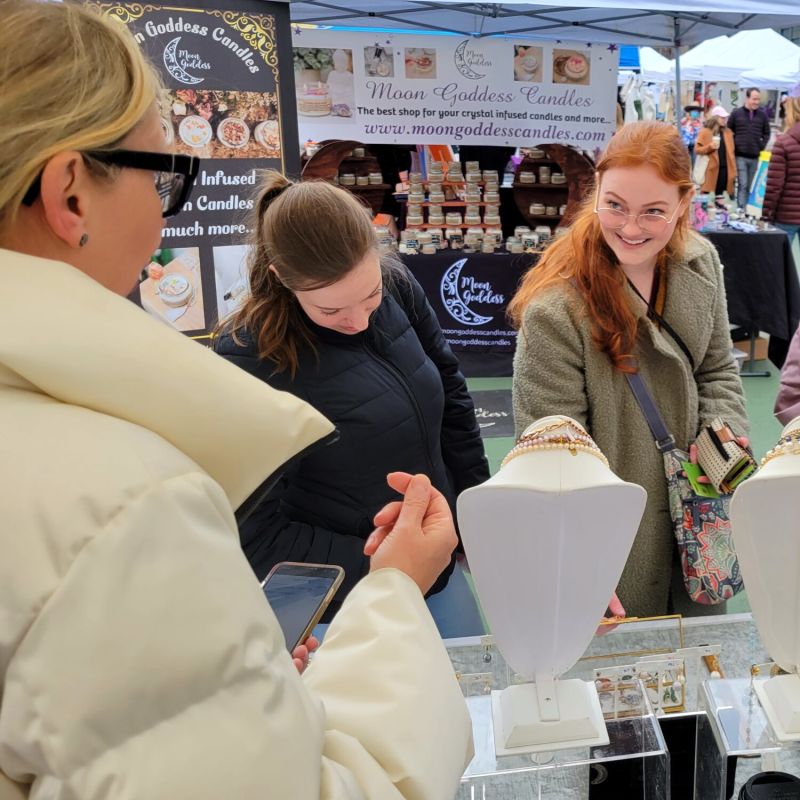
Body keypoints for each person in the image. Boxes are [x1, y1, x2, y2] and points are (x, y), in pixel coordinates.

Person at [0, 3, 473, 797]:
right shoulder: (125, 499)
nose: (162, 213)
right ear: (71, 195)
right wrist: (389, 584)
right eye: (166, 176)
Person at [214, 173, 490, 637]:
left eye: (369, 296)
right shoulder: (248, 356)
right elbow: (254, 533)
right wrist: (388, 567)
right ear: (282, 279)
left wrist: (473, 519)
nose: (359, 320)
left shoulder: (398, 286)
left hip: (434, 566)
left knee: (470, 697)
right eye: (331, 311)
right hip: (341, 602)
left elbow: (453, 400)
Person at [508, 121, 749, 619]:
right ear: (597, 190)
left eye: (654, 211)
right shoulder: (556, 308)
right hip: (613, 551)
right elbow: (550, 454)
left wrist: (721, 436)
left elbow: (718, 369)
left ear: (683, 203)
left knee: (698, 664)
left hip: (697, 526)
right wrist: (578, 568)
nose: (632, 228)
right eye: (614, 205)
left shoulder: (702, 264)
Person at [762, 87, 800, 248]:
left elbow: (774, 187)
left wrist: (766, 215)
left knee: (781, 267)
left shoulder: (784, 143)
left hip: (786, 215)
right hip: (788, 213)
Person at [728, 87, 771, 209]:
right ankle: (741, 208)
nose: (756, 102)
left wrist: (761, 145)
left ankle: (744, 208)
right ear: (747, 98)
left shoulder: (763, 116)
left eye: (758, 99)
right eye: (754, 99)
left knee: (750, 184)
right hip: (740, 155)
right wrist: (734, 145)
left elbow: (767, 133)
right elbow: (728, 131)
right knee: (743, 183)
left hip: (755, 156)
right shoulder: (736, 113)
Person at [694, 105, 736, 198]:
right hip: (710, 170)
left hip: (725, 169)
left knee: (721, 198)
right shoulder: (705, 131)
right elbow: (697, 150)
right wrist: (709, 147)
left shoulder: (728, 132)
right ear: (716, 118)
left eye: (726, 117)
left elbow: (732, 152)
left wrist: (734, 171)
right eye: (722, 117)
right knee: (707, 198)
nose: (725, 119)